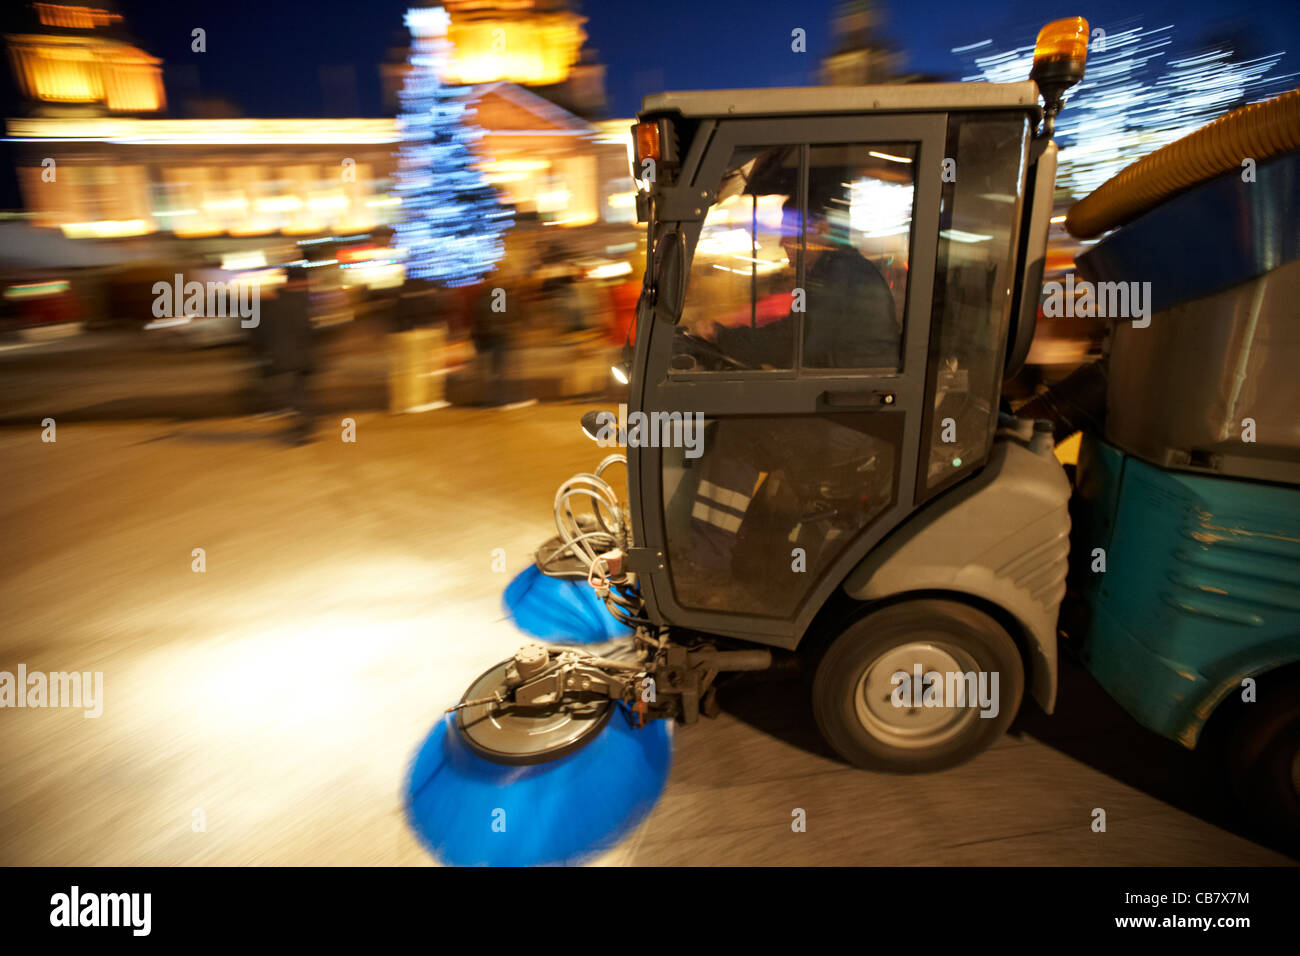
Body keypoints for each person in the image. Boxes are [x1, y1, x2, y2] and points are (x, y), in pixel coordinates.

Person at [713, 186, 900, 369]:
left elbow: (794, 342)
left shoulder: (841, 274)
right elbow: (793, 328)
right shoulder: (814, 276)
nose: (781, 242)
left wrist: (721, 337)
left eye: (788, 231)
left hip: (851, 388)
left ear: (820, 228)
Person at [252, 264, 316, 445]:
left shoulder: (275, 300)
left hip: (282, 355)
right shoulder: (300, 301)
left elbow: (262, 329)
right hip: (297, 354)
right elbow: (306, 328)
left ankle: (302, 426)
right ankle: (302, 429)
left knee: (294, 393)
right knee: (298, 394)